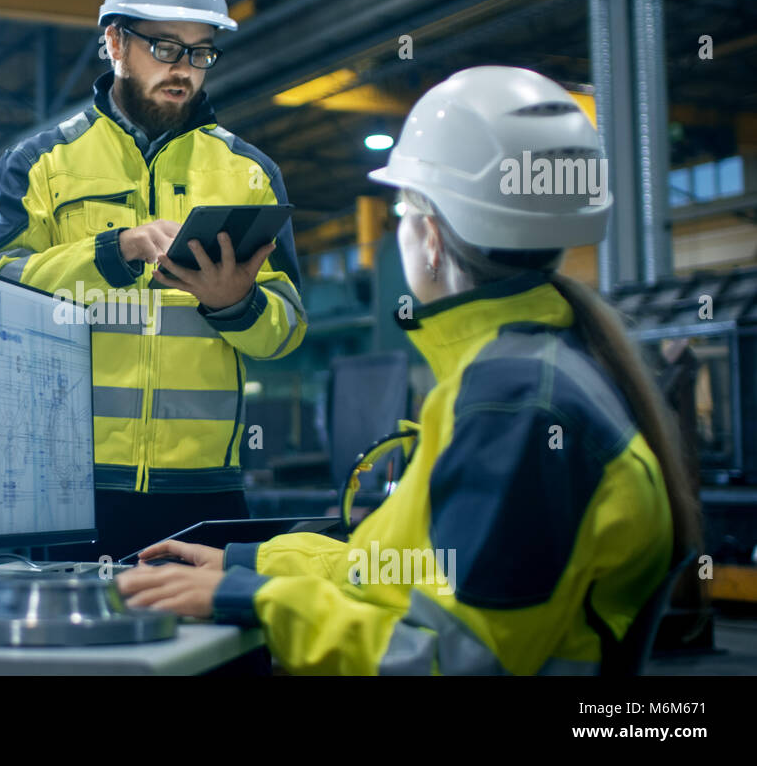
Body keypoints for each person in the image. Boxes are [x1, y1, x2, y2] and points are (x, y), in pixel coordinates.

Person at [117, 66, 702, 675]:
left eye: (401, 207)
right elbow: (403, 566)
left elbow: (451, 661)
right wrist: (247, 565)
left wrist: (254, 600)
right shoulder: (537, 370)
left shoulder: (515, 405)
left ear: (431, 239)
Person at [0, 0, 307, 560]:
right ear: (116, 42)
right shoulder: (40, 164)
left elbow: (285, 332)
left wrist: (238, 304)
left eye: (201, 52)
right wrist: (111, 253)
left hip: (206, 496)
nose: (185, 69)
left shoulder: (250, 173)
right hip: (67, 489)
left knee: (216, 657)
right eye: (166, 47)